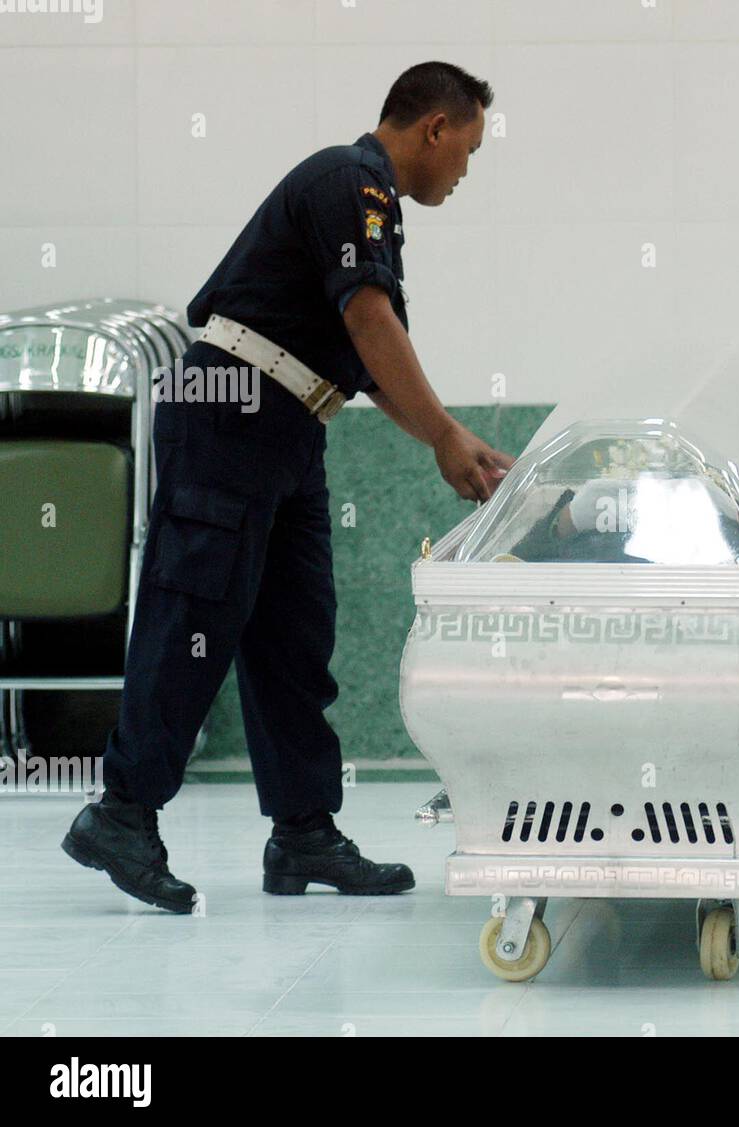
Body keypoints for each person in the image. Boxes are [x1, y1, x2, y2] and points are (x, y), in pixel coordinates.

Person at [63, 62, 514, 912]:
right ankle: (122, 811)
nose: (465, 169)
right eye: (470, 149)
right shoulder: (351, 180)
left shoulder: (368, 204)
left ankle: (302, 829)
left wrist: (453, 441)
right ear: (433, 129)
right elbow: (367, 320)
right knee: (192, 611)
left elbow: (368, 357)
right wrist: (444, 436)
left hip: (290, 424)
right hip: (230, 410)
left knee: (294, 633)